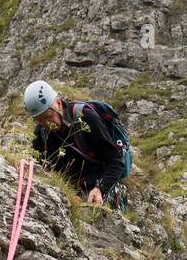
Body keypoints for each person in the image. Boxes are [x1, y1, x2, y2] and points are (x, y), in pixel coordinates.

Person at [23, 80, 128, 209]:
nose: (46, 123)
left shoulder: (85, 118)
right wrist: (66, 191)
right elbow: (39, 166)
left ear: (58, 103)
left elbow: (115, 160)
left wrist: (100, 189)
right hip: (72, 189)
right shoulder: (42, 132)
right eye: (39, 120)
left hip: (100, 181)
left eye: (48, 116)